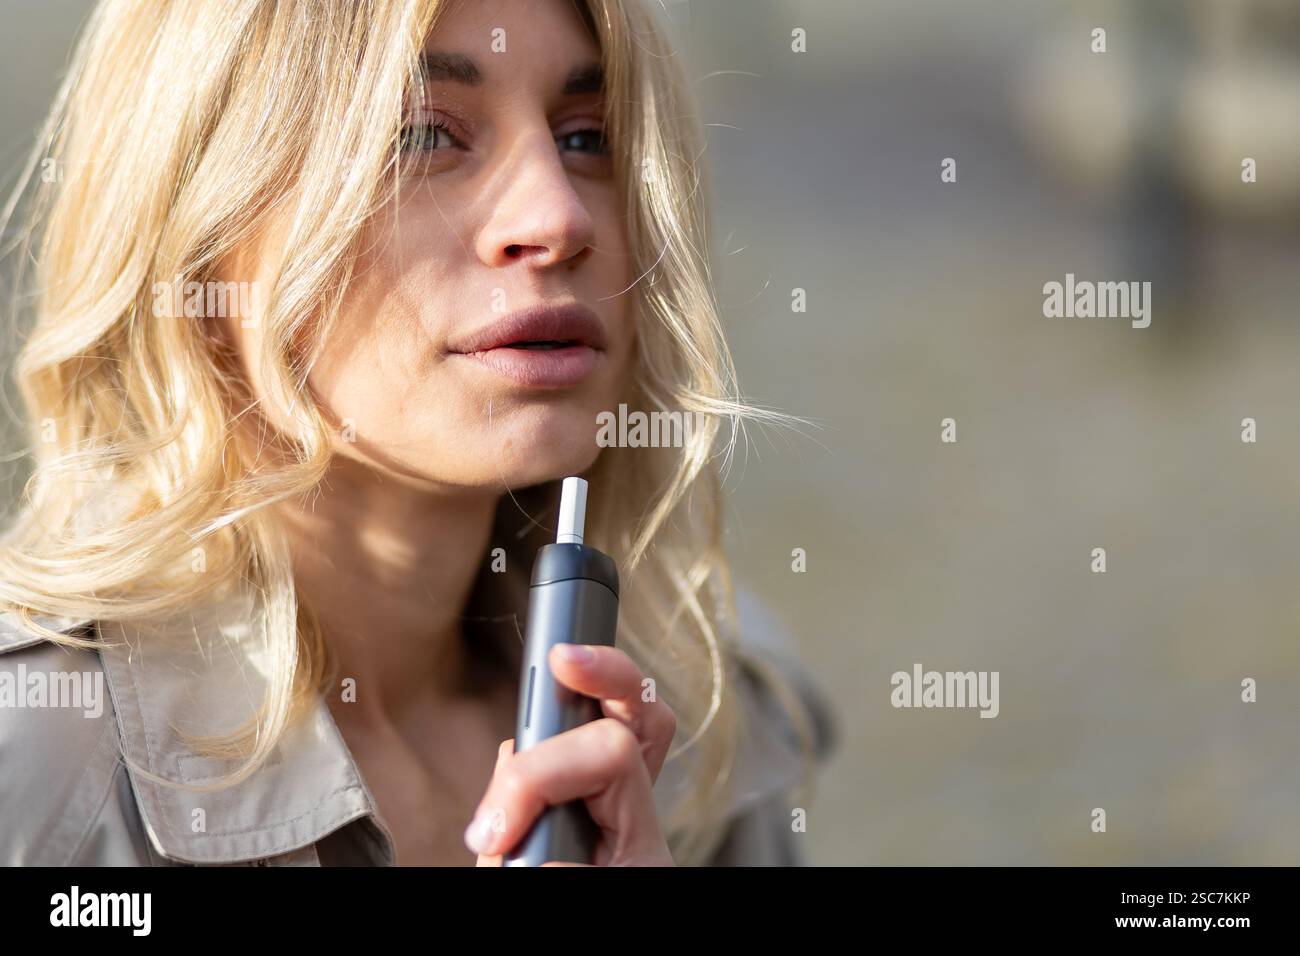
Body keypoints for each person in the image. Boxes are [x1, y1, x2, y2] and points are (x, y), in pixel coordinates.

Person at [0, 0, 836, 866]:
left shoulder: (707, 718)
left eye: (587, 137)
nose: (557, 219)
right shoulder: (31, 762)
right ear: (202, 239)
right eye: (422, 135)